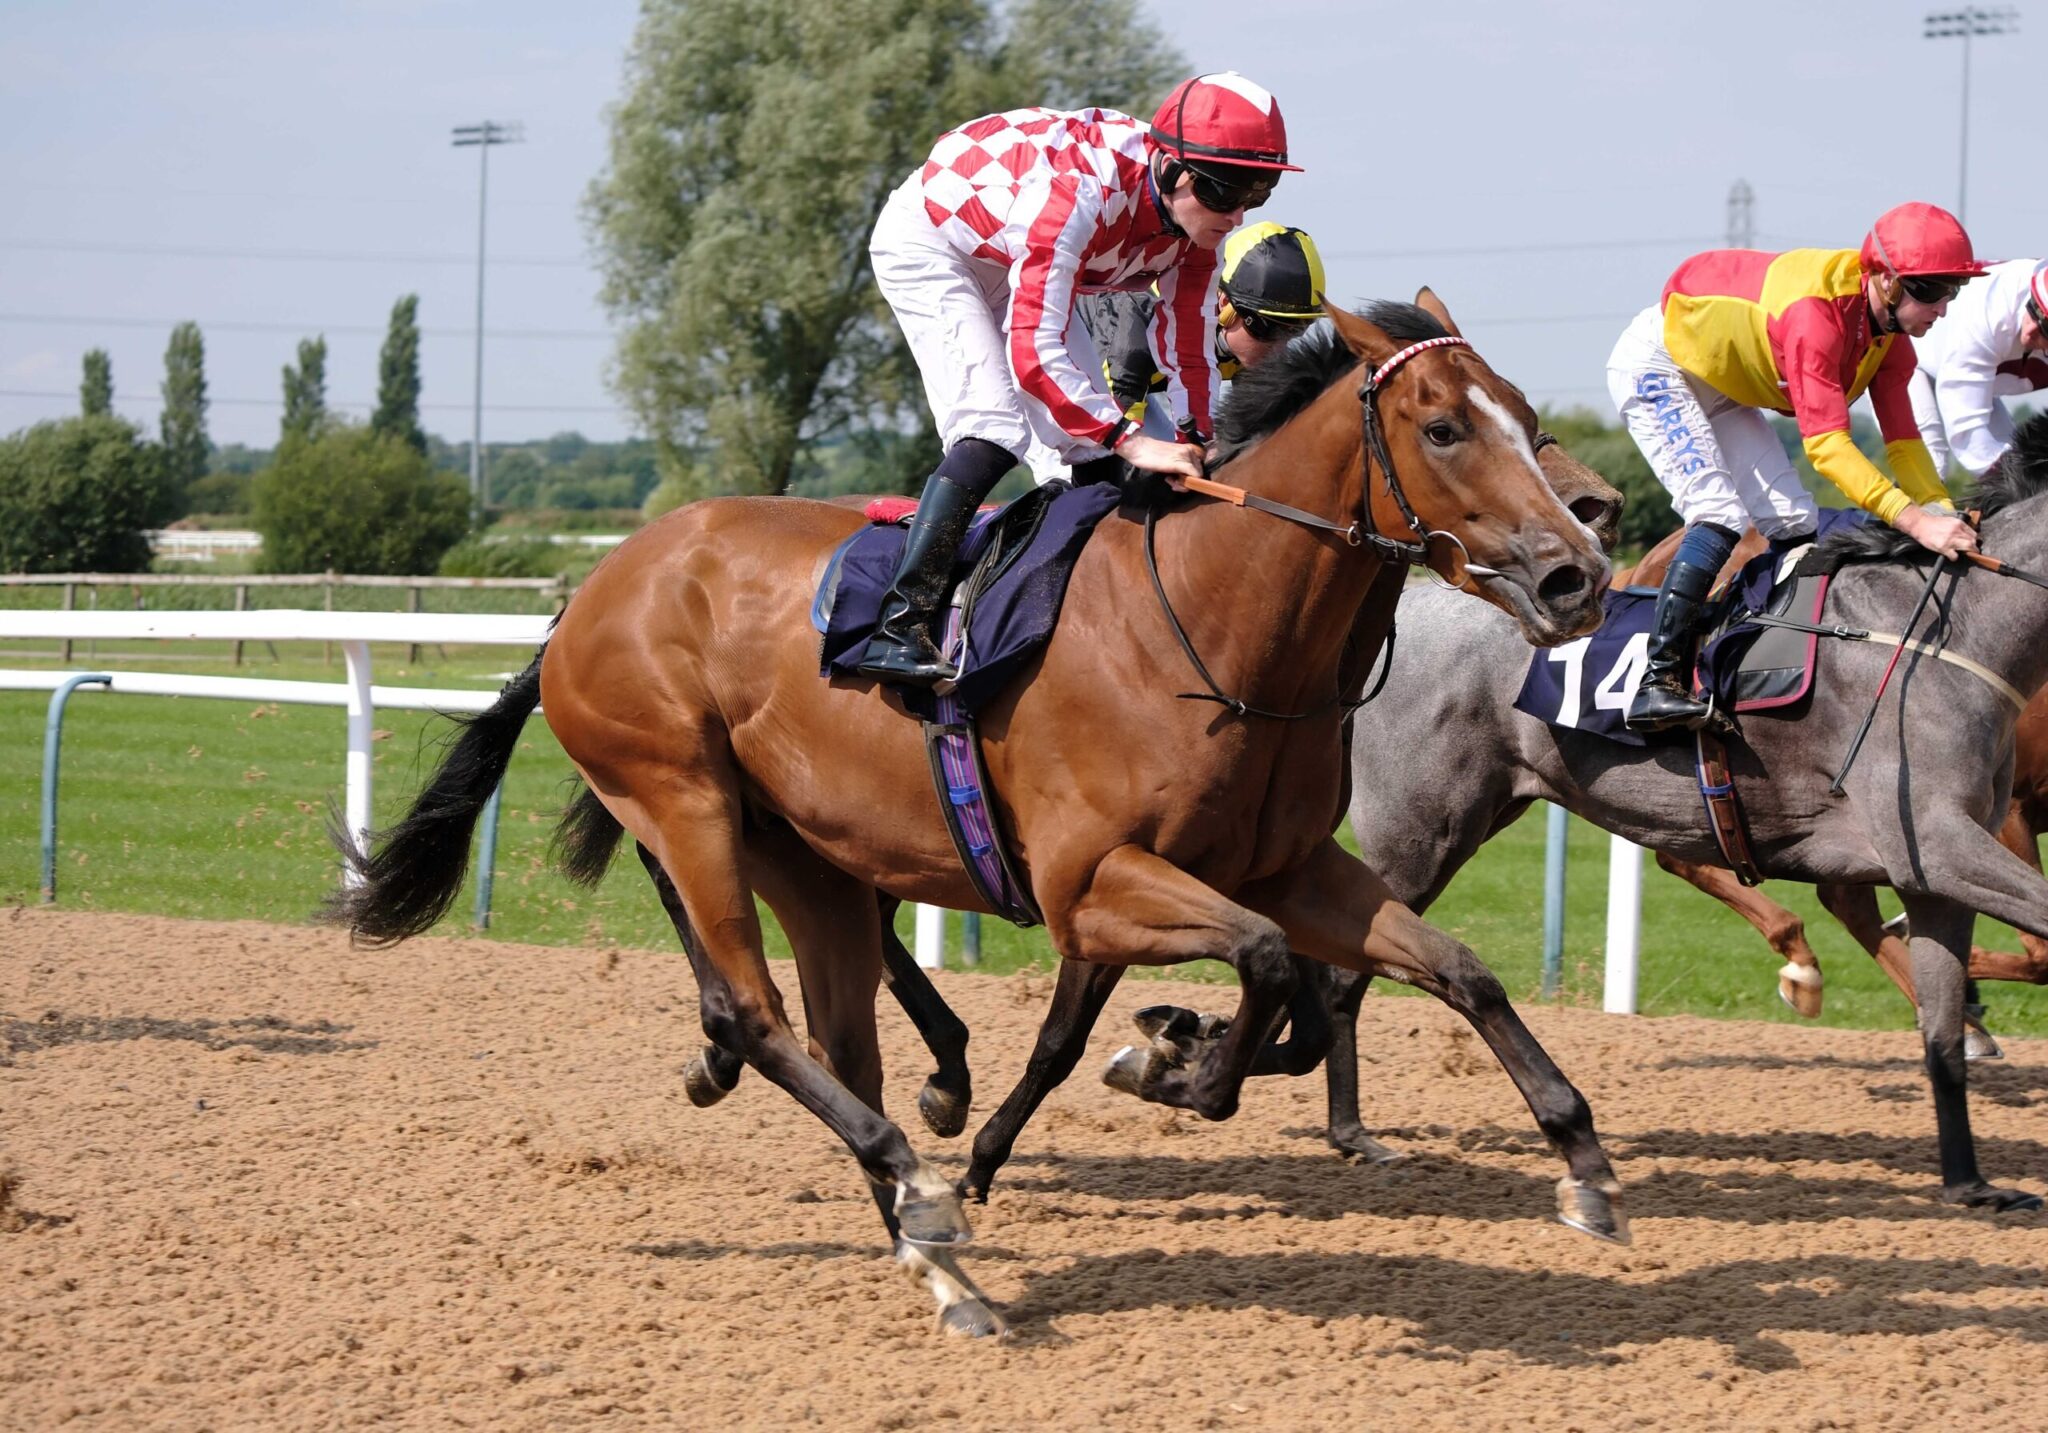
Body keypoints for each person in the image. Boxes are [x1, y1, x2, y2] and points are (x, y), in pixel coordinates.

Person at [857, 73, 1300, 687]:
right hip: (937, 243)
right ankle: (899, 625)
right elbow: (1034, 358)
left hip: (1017, 253)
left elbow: (1190, 350)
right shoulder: (1078, 194)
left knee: (1086, 446)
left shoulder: (1199, 232)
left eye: (1260, 191)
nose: (1237, 214)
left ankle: (1094, 619)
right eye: (1225, 189)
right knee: (994, 426)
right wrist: (1131, 437)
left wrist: (1206, 434)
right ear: (1169, 167)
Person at [1607, 202, 1986, 734]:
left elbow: (1903, 441)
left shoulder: (1891, 338)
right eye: (1930, 290)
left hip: (1723, 385)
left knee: (1795, 524)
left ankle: (1754, 654)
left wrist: (1941, 510)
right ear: (1882, 279)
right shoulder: (1816, 319)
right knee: (1719, 515)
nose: (1943, 307)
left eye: (1953, 290)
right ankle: (1657, 682)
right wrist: (1915, 522)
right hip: (1661, 366)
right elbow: (1828, 448)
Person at [1075, 220, 1326, 446]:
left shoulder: (1249, 347)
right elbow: (1107, 443)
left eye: (1296, 330)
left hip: (1135, 388)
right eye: (1269, 327)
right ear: (1225, 303)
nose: (1280, 346)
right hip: (1070, 377)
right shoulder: (1135, 327)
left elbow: (1255, 436)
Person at [1907, 258, 2048, 478]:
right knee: (1932, 469)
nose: (2030, 331)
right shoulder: (1989, 317)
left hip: (1980, 377)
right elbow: (1969, 437)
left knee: (2015, 451)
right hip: (1910, 355)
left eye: (2046, 328)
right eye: (2033, 308)